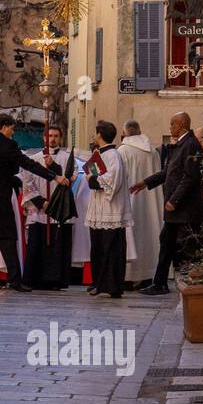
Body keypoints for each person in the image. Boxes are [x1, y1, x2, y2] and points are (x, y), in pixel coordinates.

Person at [0, 113, 66, 292]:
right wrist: (53, 176)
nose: (12, 132)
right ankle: (15, 280)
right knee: (7, 238)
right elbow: (28, 164)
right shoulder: (8, 144)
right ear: (4, 126)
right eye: (12, 128)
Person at [130, 111, 203, 294]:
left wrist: (174, 200)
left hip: (184, 210)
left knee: (190, 246)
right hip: (175, 211)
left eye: (172, 124)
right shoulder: (179, 146)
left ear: (181, 125)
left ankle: (197, 284)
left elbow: (190, 177)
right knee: (167, 242)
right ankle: (160, 283)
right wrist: (145, 182)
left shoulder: (190, 145)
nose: (170, 127)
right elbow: (168, 172)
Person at [20, 124, 76, 290]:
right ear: (44, 138)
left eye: (56, 136)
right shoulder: (34, 158)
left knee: (57, 247)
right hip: (39, 208)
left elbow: (70, 179)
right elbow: (27, 180)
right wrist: (40, 202)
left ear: (61, 138)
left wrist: (53, 168)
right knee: (37, 244)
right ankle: (34, 279)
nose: (52, 139)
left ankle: (55, 280)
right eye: (49, 136)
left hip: (58, 209)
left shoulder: (67, 158)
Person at [84, 119, 131, 298]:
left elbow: (112, 181)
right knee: (98, 248)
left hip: (111, 211)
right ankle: (98, 282)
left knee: (110, 249)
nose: (93, 136)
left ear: (100, 135)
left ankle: (111, 285)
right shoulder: (101, 153)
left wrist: (90, 178)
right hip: (99, 209)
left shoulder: (113, 155)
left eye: (95, 133)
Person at [119, 120, 163, 288]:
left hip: (132, 200)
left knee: (133, 237)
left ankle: (128, 277)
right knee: (150, 236)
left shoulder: (123, 151)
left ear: (125, 133)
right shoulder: (152, 151)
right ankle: (148, 275)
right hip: (151, 202)